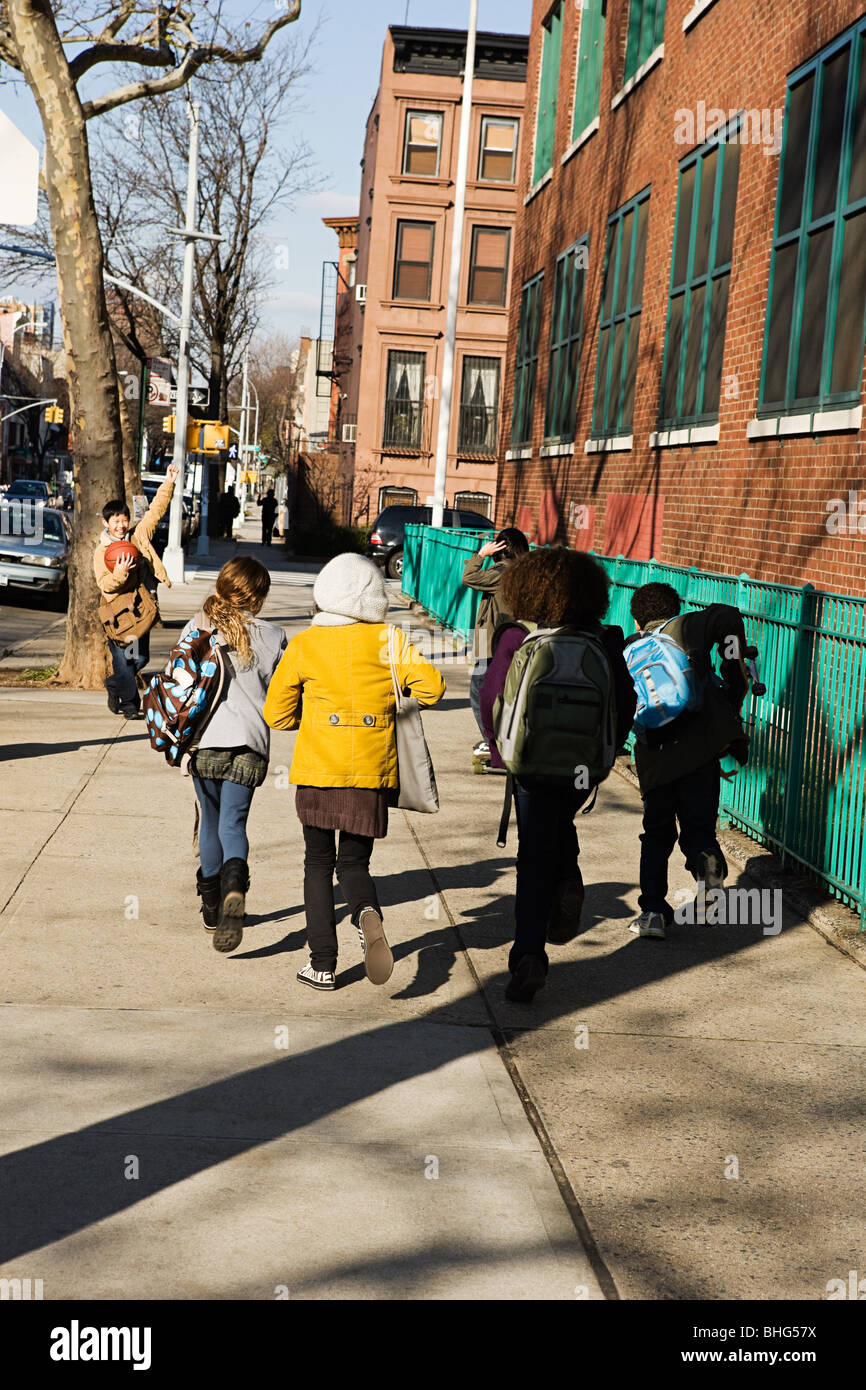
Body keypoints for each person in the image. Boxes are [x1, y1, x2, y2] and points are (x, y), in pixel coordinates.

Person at [264, 552, 445, 991]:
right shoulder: (389, 640)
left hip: (318, 771)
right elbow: (433, 688)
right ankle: (366, 914)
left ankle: (322, 963)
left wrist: (309, 716)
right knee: (354, 863)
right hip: (370, 772)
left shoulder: (306, 644)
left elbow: (276, 714)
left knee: (317, 863)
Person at [480, 548, 636, 1002]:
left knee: (533, 857)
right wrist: (606, 751)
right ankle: (567, 878)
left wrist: (498, 750)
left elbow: (492, 698)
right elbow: (624, 701)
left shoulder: (516, 636)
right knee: (557, 825)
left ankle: (529, 955)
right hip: (583, 765)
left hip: (530, 763)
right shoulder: (605, 639)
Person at [625, 583, 749, 940]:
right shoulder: (687, 627)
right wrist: (734, 671)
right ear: (675, 608)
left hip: (655, 757)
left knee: (656, 835)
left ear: (637, 619)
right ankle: (707, 870)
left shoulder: (630, 649)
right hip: (699, 752)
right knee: (699, 830)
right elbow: (726, 614)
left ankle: (652, 913)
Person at [183, 556, 287, 953]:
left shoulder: (199, 627)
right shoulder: (274, 637)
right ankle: (234, 889)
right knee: (233, 825)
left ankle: (212, 909)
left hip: (205, 740)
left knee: (209, 823)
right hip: (249, 745)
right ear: (257, 599)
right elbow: (282, 697)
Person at [94, 463, 178, 719]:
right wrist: (120, 573)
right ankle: (131, 705)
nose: (120, 525)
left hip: (141, 608)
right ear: (106, 523)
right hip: (118, 613)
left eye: (124, 520)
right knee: (123, 659)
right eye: (115, 521)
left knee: (139, 660)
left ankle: (113, 683)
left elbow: (154, 513)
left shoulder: (137, 537)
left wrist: (168, 484)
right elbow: (105, 584)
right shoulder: (101, 552)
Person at [462, 527, 529, 754]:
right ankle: (501, 741)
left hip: (491, 642)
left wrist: (481, 555)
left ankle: (492, 743)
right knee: (504, 691)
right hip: (509, 638)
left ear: (502, 548)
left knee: (479, 692)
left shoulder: (502, 572)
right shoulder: (522, 572)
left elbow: (469, 577)